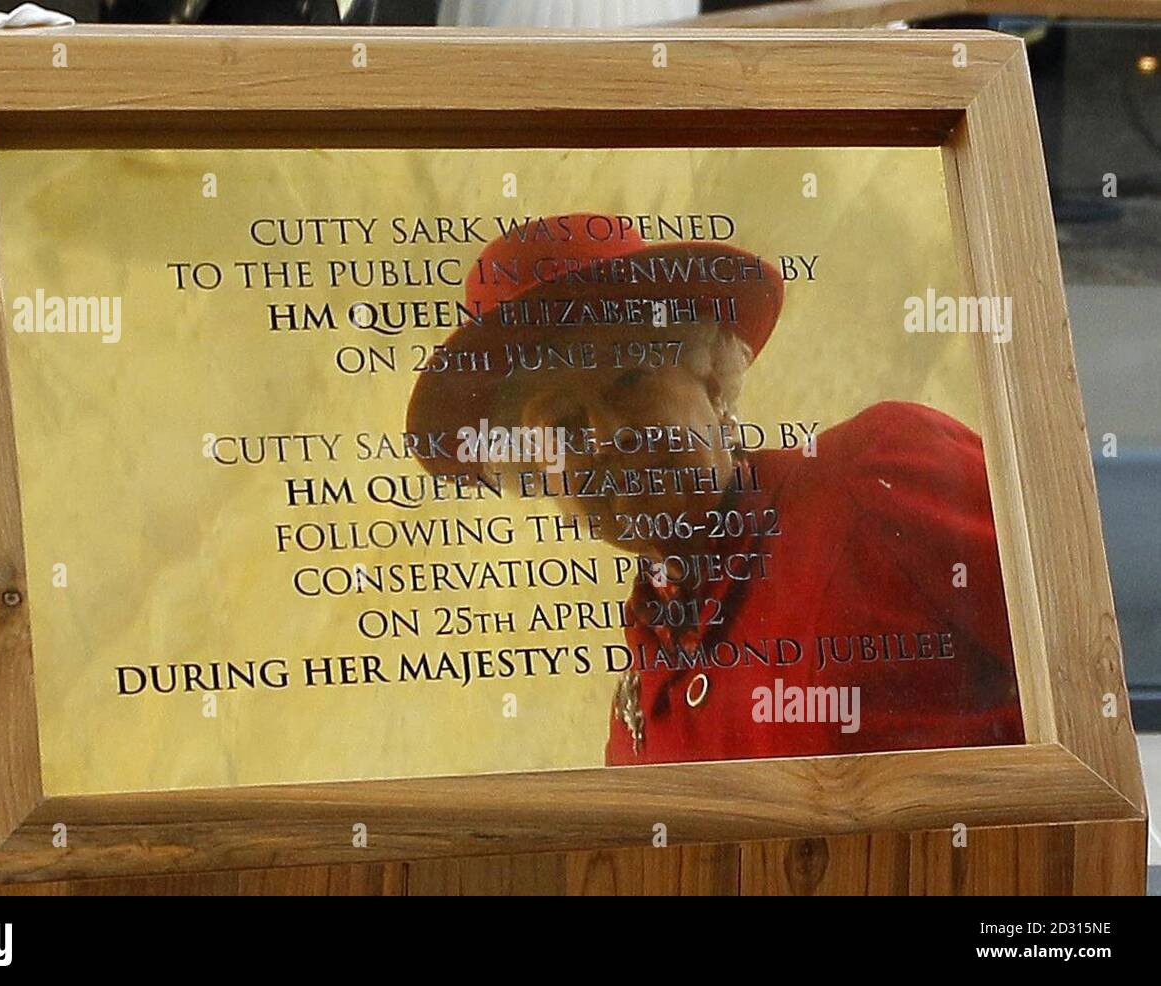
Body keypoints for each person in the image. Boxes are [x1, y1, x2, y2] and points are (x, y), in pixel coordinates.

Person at [406, 213, 1024, 765]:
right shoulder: (637, 717)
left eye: (628, 381)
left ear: (709, 370)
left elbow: (1084, 668)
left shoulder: (876, 473)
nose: (607, 436)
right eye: (562, 427)